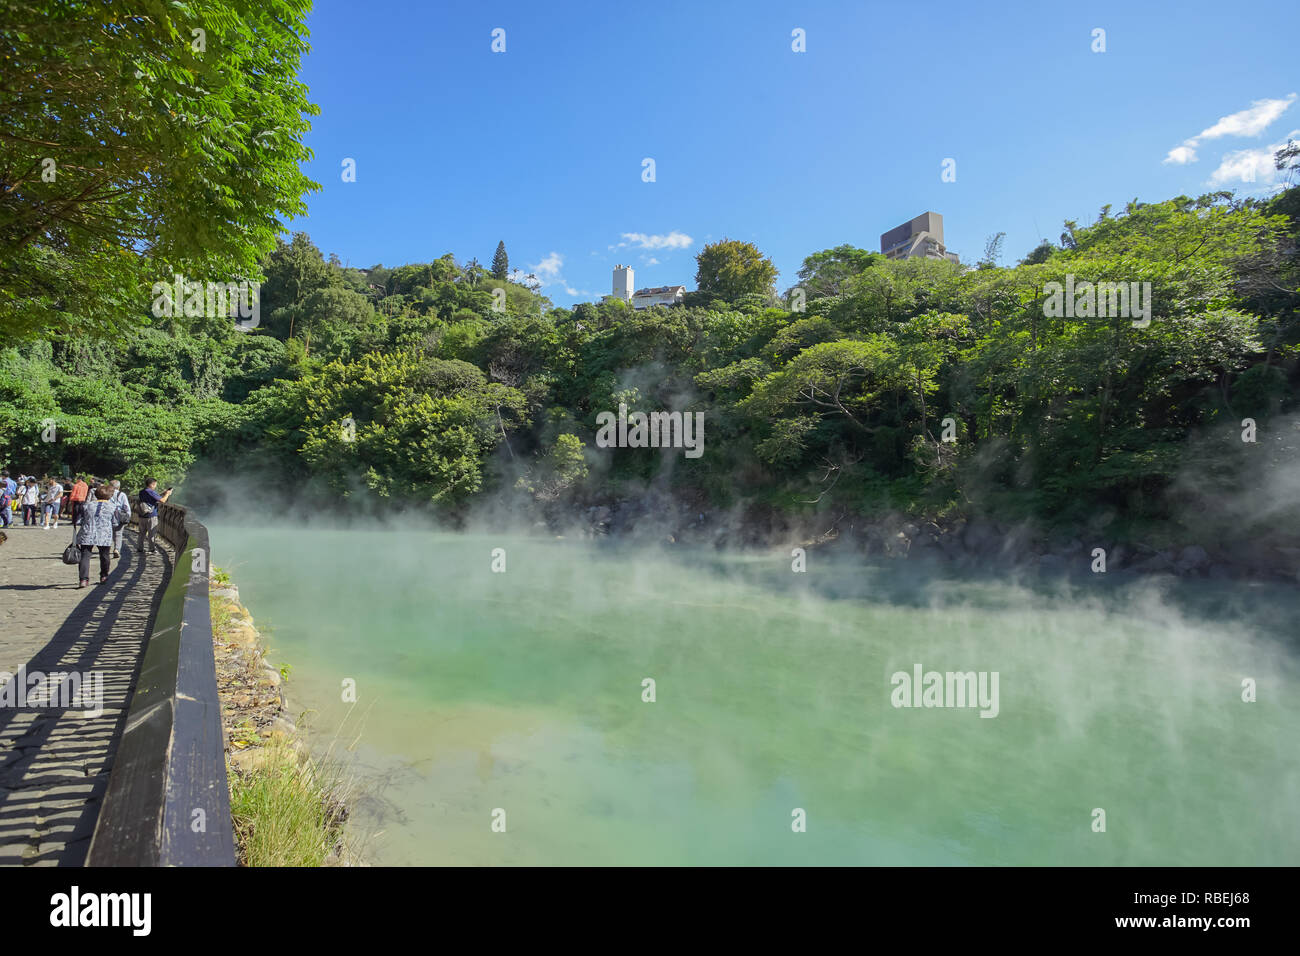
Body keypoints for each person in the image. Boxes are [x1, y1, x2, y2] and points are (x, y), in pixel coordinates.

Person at [76, 484, 128, 588]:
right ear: (110, 495)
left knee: (85, 556)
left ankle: (83, 579)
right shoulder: (113, 507)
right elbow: (115, 523)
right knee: (104, 556)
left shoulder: (87, 506)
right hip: (104, 534)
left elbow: (79, 520)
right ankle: (104, 576)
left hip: (87, 532)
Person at [135, 478, 172, 555]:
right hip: (151, 515)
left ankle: (140, 548)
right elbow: (162, 501)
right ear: (152, 484)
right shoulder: (151, 491)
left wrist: (163, 493)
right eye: (155, 484)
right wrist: (167, 494)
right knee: (151, 533)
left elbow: (153, 498)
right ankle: (151, 549)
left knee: (142, 533)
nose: (155, 486)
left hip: (142, 515)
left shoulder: (142, 491)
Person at [108, 480, 129, 558]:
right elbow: (126, 507)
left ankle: (107, 548)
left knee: (109, 533)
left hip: (108, 515)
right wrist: (127, 517)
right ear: (119, 487)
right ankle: (116, 549)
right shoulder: (122, 494)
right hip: (119, 516)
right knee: (118, 534)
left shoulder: (107, 493)